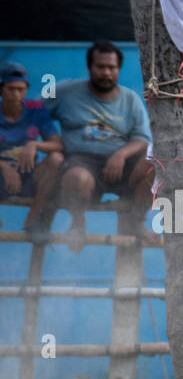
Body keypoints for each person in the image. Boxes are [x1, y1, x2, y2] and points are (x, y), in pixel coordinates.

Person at [48, 41, 154, 253]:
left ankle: (137, 220)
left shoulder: (131, 99)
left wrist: (120, 155)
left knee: (154, 163)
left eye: (111, 67)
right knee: (76, 177)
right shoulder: (63, 91)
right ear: (89, 67)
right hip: (82, 162)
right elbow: (34, 113)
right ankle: (77, 224)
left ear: (118, 69)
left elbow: (142, 139)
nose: (106, 72)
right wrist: (49, 141)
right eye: (100, 67)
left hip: (123, 166)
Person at [0, 60, 63, 242]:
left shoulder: (36, 110)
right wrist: (3, 165)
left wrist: (34, 145)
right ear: (1, 90)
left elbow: (57, 145)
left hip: (28, 178)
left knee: (56, 159)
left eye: (21, 89)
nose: (16, 94)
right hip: (2, 178)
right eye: (11, 89)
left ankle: (33, 219)